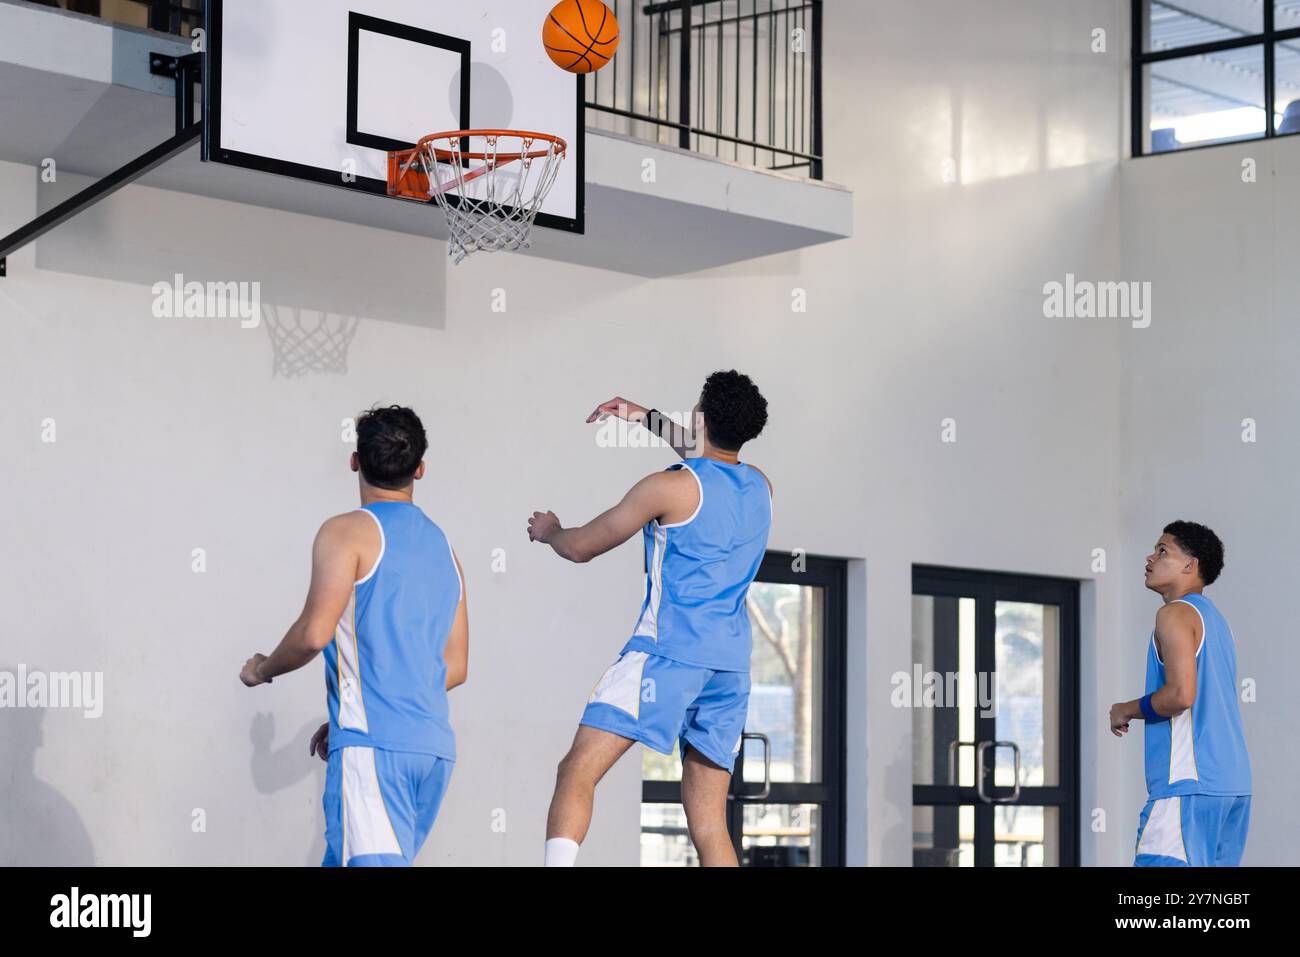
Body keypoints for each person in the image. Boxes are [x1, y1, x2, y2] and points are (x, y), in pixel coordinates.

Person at [529, 370, 772, 867]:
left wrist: (550, 530)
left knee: (577, 770)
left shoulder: (669, 488)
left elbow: (580, 548)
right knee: (708, 822)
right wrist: (640, 415)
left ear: (701, 415)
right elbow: (707, 455)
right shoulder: (762, 488)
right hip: (730, 667)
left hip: (667, 655)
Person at [240, 405, 468, 866]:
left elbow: (313, 634)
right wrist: (357, 701)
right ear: (419, 469)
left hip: (375, 749)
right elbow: (455, 667)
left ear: (355, 460)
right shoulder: (446, 549)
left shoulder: (345, 532)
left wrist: (261, 669)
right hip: (433, 753)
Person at [1109, 520, 1250, 866]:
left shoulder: (1173, 615)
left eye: (1162, 551)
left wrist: (1126, 708)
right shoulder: (1217, 622)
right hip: (1233, 787)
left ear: (1190, 565)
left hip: (1188, 785)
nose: (1150, 557)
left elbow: (1180, 695)